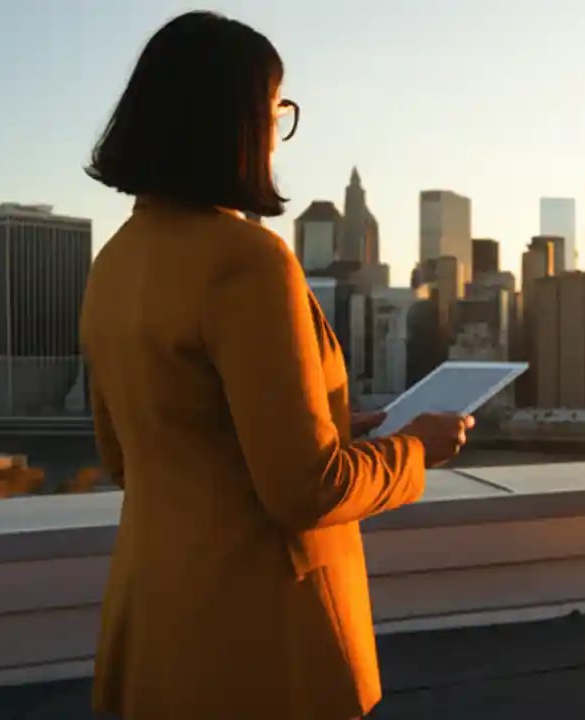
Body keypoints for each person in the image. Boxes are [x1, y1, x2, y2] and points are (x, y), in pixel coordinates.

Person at [79, 11, 472, 719]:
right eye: (274, 108)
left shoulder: (115, 261)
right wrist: (416, 451)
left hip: (155, 618)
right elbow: (306, 490)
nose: (277, 127)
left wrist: (320, 422)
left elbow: (133, 455)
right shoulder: (248, 261)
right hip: (261, 635)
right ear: (234, 121)